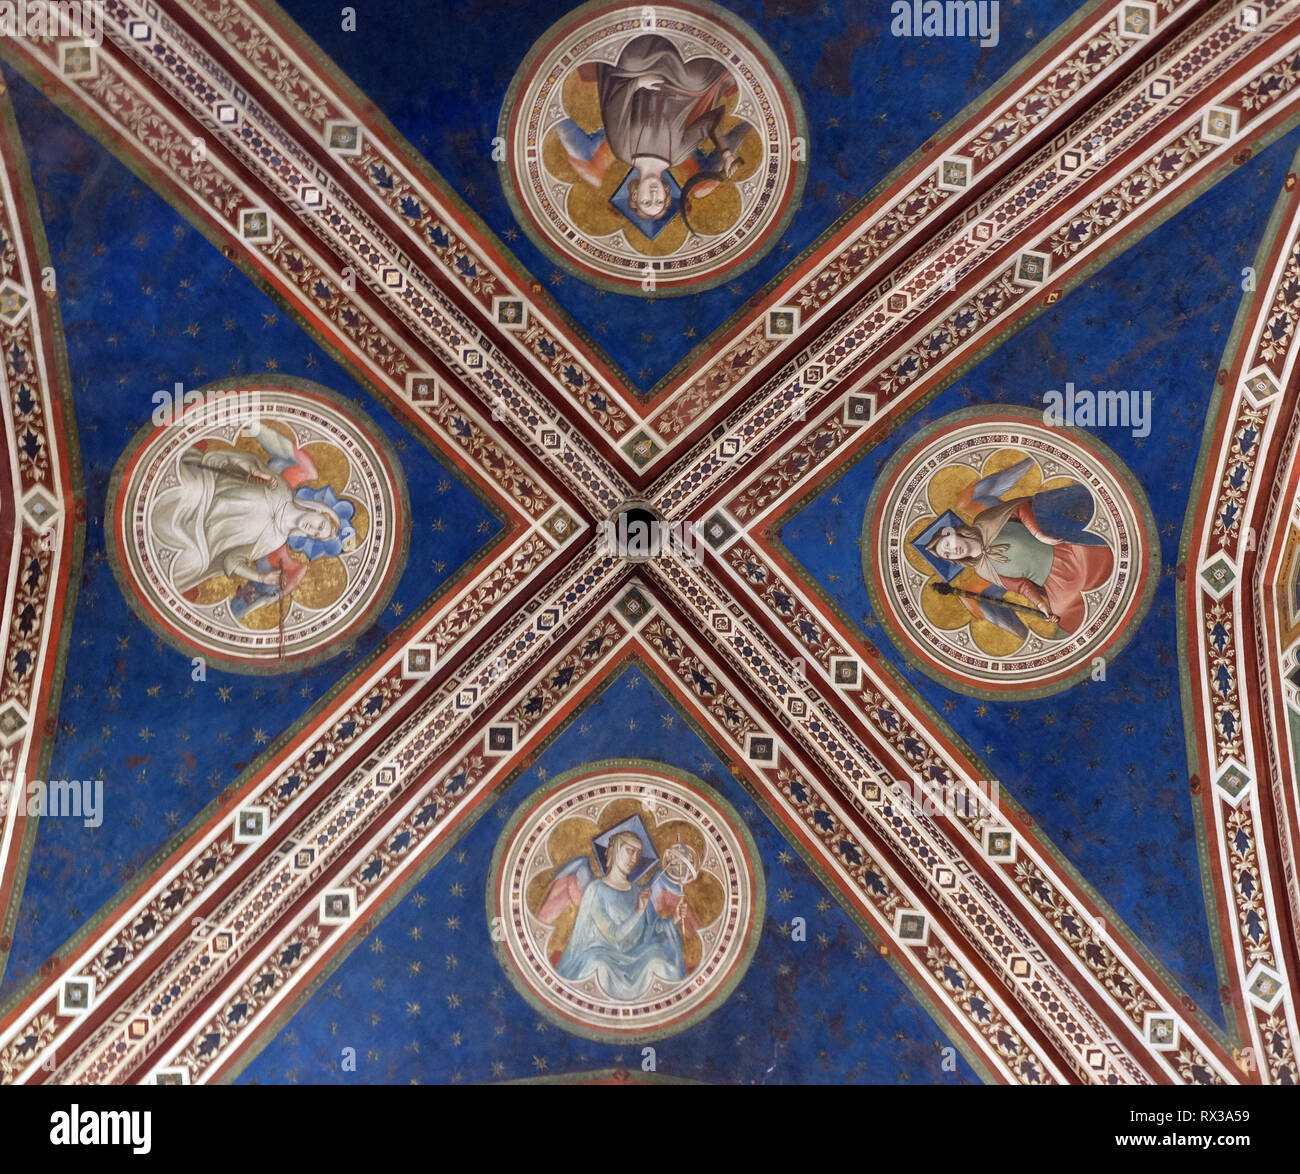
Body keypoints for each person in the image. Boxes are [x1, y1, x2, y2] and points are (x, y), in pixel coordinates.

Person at [560, 33, 748, 225]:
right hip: (681, 89)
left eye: (645, 201)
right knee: (697, 78)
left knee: (632, 59)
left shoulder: (623, 151)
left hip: (638, 78)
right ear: (666, 191)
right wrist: (726, 153)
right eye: (658, 200)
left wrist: (637, 83)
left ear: (634, 193)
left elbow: (614, 107)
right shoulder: (677, 156)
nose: (653, 194)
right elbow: (708, 123)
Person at [923, 457, 1113, 635]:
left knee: (1098, 556)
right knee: (1066, 613)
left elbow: (1020, 508)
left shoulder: (984, 521)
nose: (952, 550)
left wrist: (1039, 534)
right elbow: (1021, 586)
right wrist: (1042, 606)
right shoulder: (983, 570)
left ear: (953, 533)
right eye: (947, 554)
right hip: (1055, 583)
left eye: (947, 544)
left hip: (1063, 550)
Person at [152, 442, 342, 597]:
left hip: (203, 541)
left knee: (192, 563)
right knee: (191, 488)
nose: (312, 529)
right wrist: (254, 471)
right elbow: (247, 467)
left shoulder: (275, 540)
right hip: (208, 494)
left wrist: (261, 577)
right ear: (320, 512)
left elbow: (232, 560)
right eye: (320, 525)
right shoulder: (282, 490)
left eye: (316, 535)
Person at [555, 829, 692, 1001]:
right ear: (614, 850)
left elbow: (653, 929)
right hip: (604, 955)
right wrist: (638, 911)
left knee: (659, 962)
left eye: (638, 853)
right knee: (598, 966)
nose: (634, 859)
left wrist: (674, 919)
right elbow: (613, 936)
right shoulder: (596, 890)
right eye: (629, 850)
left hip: (638, 956)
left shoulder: (638, 891)